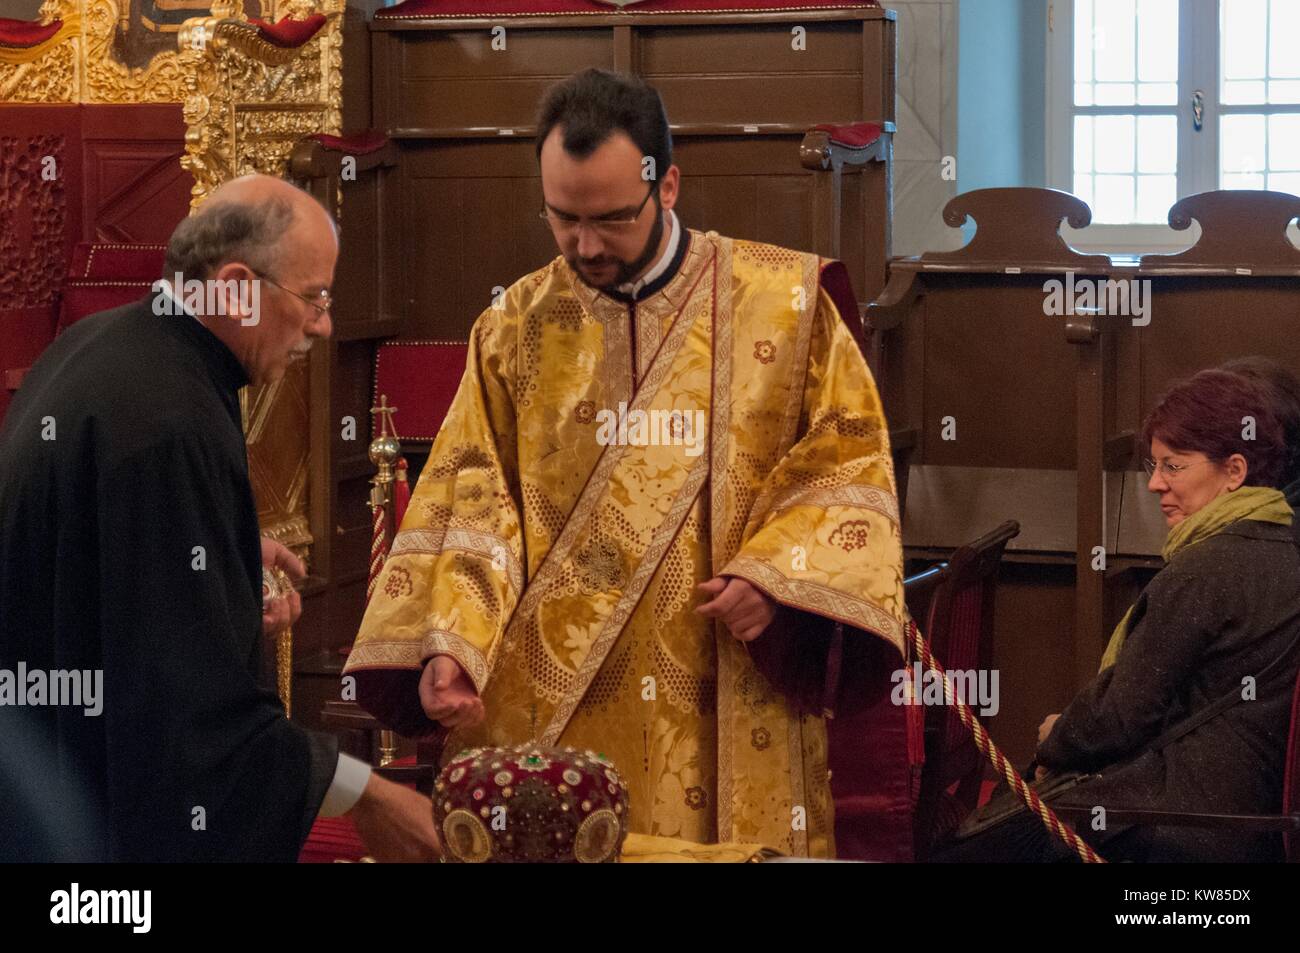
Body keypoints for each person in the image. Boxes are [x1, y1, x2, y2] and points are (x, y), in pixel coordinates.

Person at [343, 69, 907, 858]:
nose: (584, 245)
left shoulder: (784, 303)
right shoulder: (512, 328)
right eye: (562, 218)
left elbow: (848, 460)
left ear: (666, 183)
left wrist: (779, 579)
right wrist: (451, 640)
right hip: (550, 705)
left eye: (610, 218)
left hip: (722, 684)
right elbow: (471, 497)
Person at [0, 174, 437, 862]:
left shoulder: (100, 347)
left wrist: (219, 554)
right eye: (314, 296)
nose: (323, 324)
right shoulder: (172, 418)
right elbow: (197, 723)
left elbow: (94, 557)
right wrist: (371, 796)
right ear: (234, 284)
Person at [937, 369, 1300, 862]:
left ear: (1234, 471)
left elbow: (1121, 717)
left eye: (1174, 467)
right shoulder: (1281, 549)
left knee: (960, 854)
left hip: (1187, 819)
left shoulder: (1208, 566)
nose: (1154, 484)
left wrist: (1055, 738)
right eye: (1155, 465)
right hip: (1238, 810)